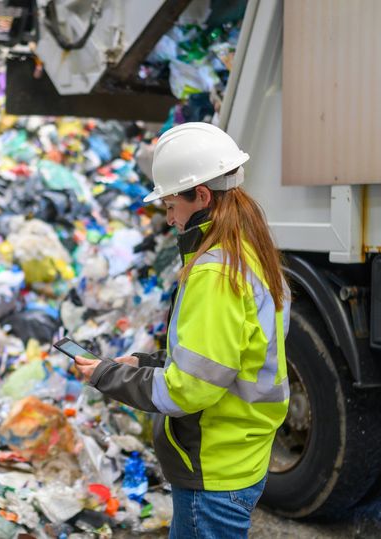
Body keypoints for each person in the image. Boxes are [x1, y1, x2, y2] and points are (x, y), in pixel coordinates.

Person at [74, 122, 290, 539]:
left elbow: (190, 390)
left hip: (215, 465)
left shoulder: (214, 272)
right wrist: (146, 362)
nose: (170, 218)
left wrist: (107, 376)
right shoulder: (250, 250)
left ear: (202, 196)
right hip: (238, 451)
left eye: (171, 204)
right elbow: (227, 357)